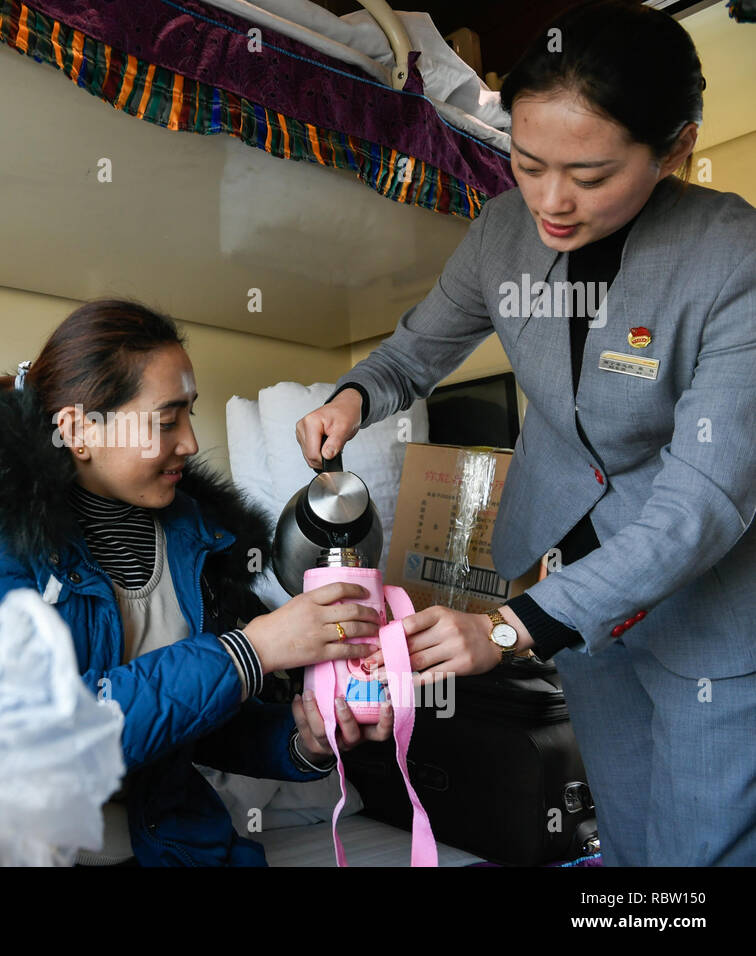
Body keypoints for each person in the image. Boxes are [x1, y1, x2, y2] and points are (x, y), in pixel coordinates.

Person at [296, 1, 756, 866]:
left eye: (589, 175)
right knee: (622, 835)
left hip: (710, 606)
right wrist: (354, 398)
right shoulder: (503, 233)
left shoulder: (736, 260)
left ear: (677, 147)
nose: (551, 200)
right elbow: (415, 351)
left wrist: (512, 628)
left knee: (700, 852)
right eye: (527, 161)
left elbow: (705, 499)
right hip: (574, 579)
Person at [0, 299, 393, 866]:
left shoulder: (197, 537)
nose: (191, 442)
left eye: (190, 414)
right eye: (166, 419)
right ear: (77, 428)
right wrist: (252, 650)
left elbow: (192, 713)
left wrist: (304, 742)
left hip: (154, 836)